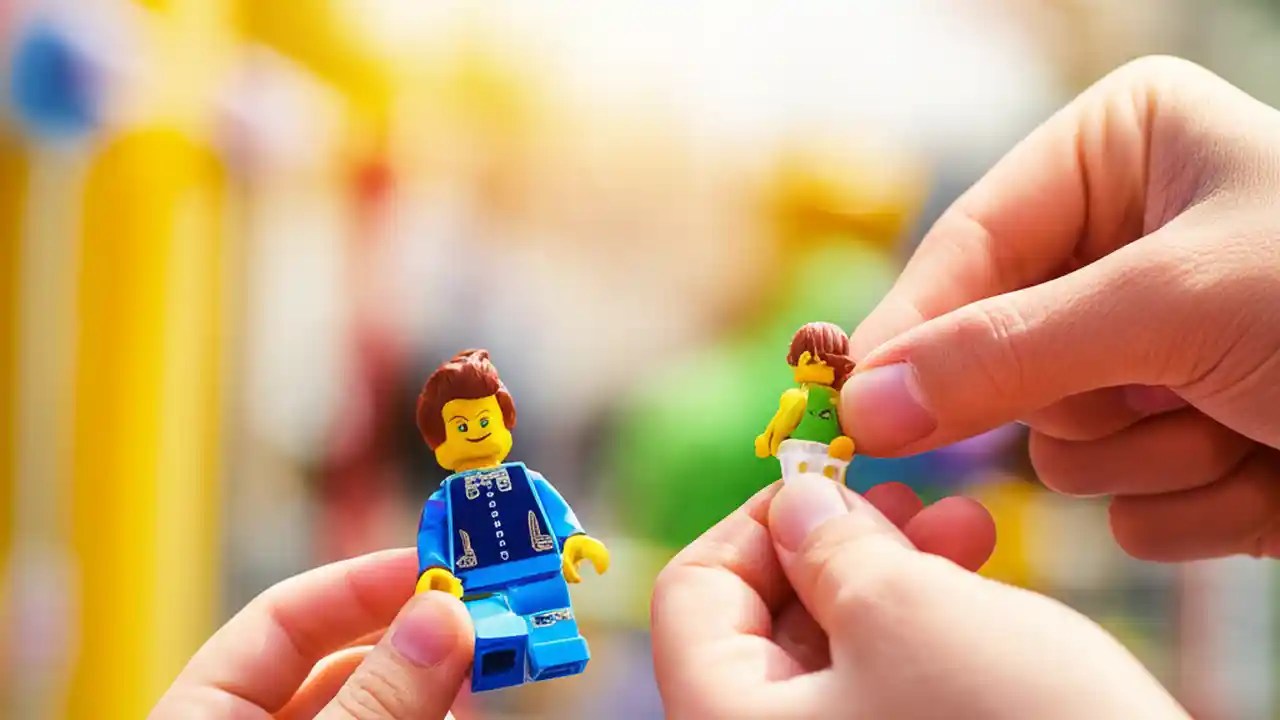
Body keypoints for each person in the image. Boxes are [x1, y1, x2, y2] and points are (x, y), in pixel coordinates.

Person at [152, 55, 1279, 719]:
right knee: (522, 619)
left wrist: (584, 545)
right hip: (727, 529)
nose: (477, 433)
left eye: (481, 419)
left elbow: (620, 491)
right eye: (464, 426)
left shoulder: (804, 374)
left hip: (769, 522)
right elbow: (473, 536)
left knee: (554, 620)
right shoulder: (782, 392)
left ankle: (537, 636)